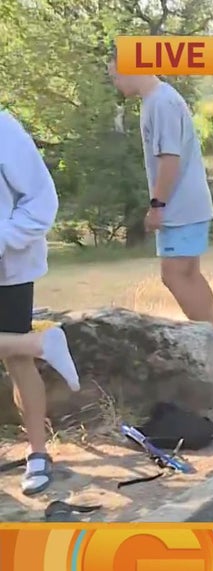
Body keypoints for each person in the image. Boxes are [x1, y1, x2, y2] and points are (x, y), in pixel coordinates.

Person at [0, 110, 82, 495]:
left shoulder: (4, 127)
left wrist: (3, 240)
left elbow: (41, 199)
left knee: (17, 362)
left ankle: (37, 453)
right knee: (21, 350)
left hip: (8, 267)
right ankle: (41, 343)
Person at [108, 62, 213, 326]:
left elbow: (169, 158)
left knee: (174, 275)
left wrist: (157, 205)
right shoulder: (159, 99)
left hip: (180, 205)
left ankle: (212, 337)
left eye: (114, 76)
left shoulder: (160, 102)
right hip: (188, 203)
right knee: (189, 274)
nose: (114, 83)